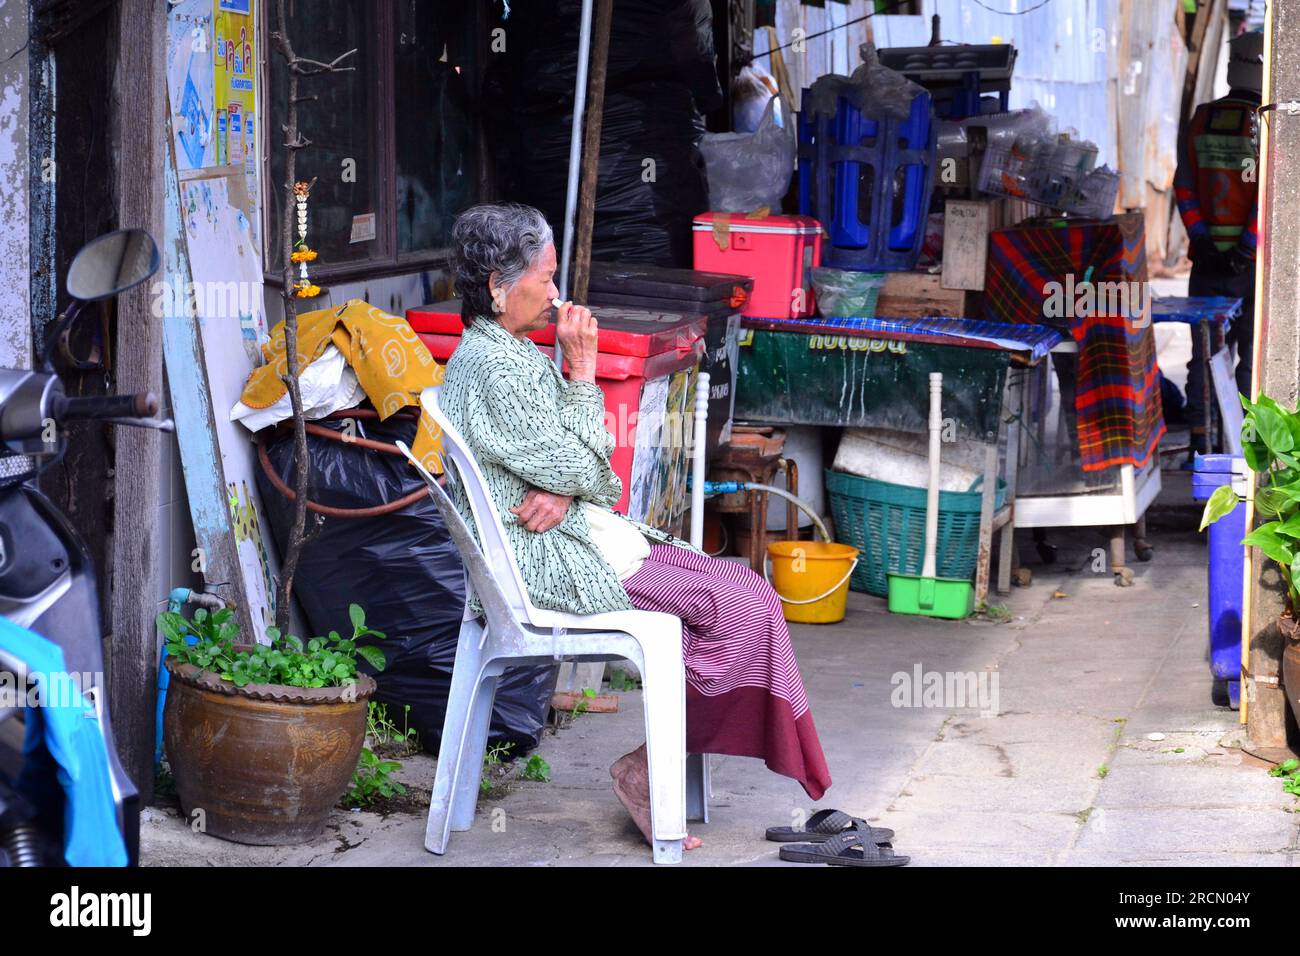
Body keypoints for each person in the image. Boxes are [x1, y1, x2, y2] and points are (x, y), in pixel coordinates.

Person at [440, 203, 832, 848]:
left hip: (577, 535)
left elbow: (581, 469)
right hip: (552, 560)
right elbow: (597, 468)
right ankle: (644, 772)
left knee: (742, 588)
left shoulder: (504, 352)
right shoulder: (495, 366)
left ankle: (657, 765)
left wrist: (566, 485)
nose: (558, 295)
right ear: (498, 287)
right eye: (545, 277)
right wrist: (584, 379)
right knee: (746, 611)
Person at [1174, 30, 1263, 461]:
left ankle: (1199, 446)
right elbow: (1271, 196)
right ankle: (1242, 449)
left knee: (1205, 357)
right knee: (1250, 358)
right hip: (1252, 268)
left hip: (1207, 265)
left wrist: (1202, 240)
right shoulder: (1267, 125)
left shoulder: (1202, 118)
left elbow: (1184, 186)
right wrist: (1245, 247)